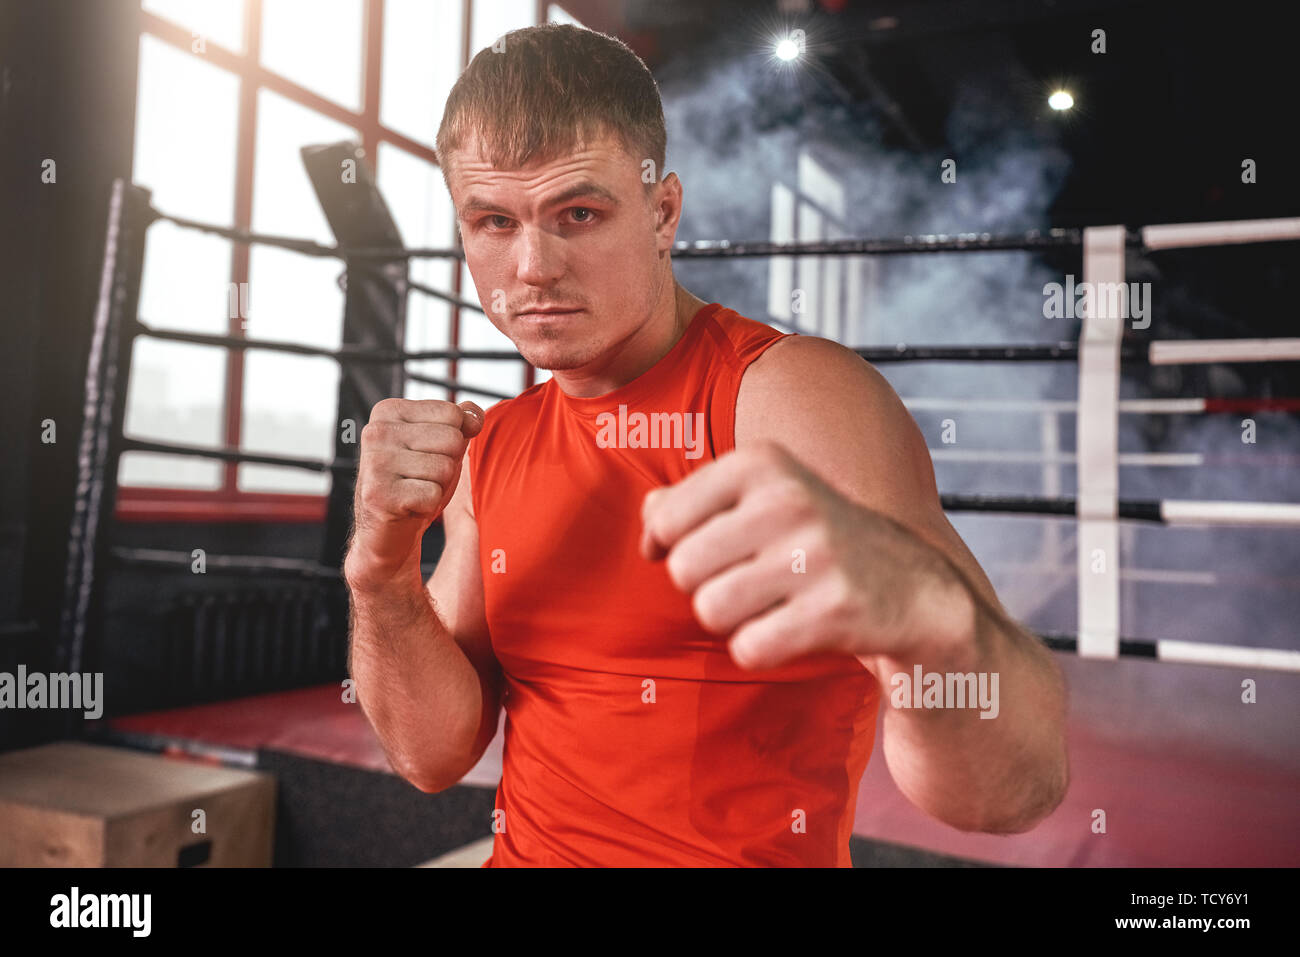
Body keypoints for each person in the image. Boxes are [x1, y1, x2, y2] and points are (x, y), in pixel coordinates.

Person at [344, 23, 1067, 867]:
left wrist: (932, 625)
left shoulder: (784, 400)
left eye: (578, 213)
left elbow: (1016, 790)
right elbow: (432, 756)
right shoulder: (495, 446)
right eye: (494, 220)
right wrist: (382, 571)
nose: (532, 266)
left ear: (662, 213)